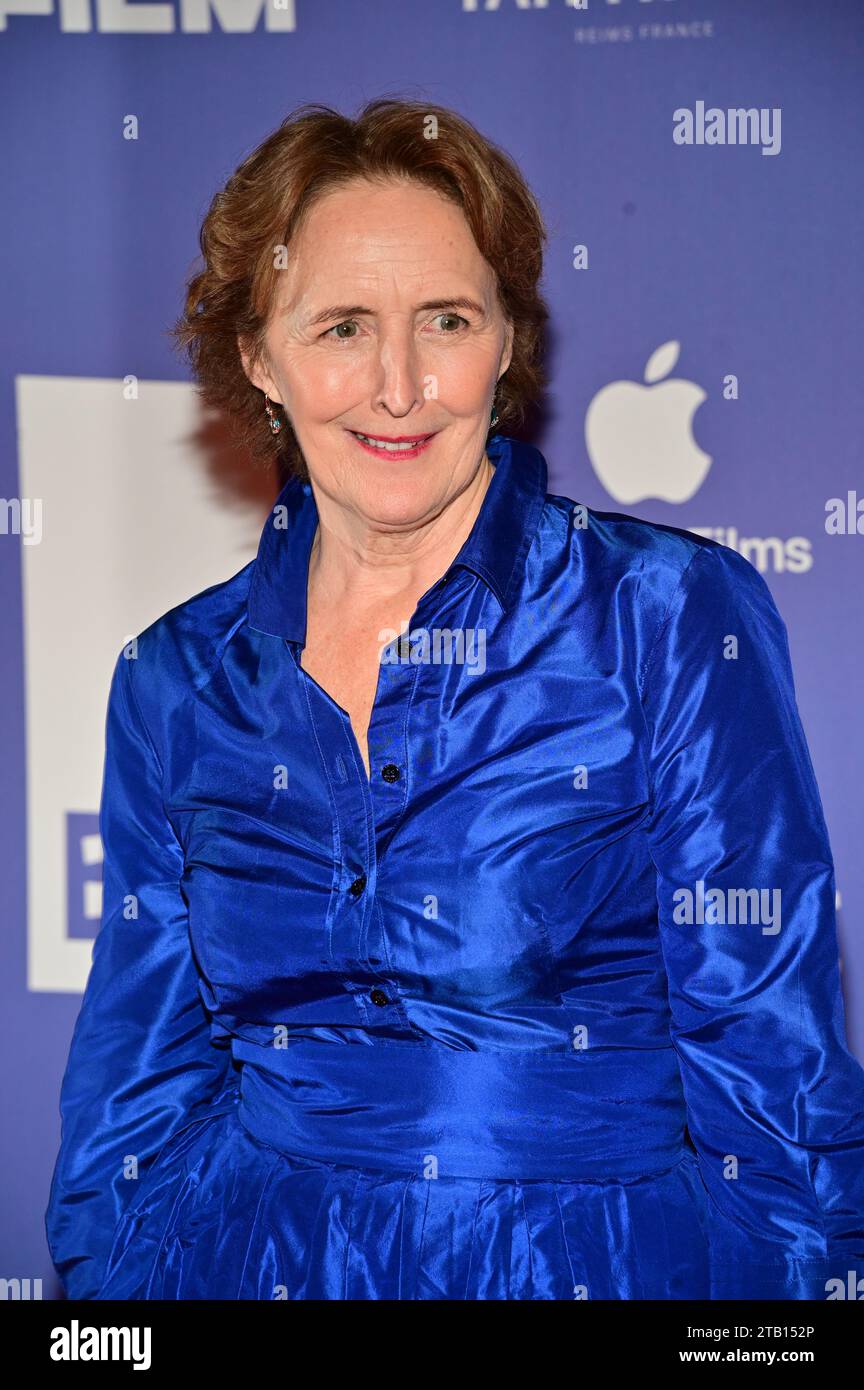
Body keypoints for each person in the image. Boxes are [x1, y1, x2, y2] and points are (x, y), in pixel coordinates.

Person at [46, 98, 864, 1301]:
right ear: (261, 358)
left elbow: (775, 1079)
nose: (400, 384)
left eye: (447, 319)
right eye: (340, 327)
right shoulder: (175, 680)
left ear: (506, 342)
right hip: (243, 1263)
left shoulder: (668, 615)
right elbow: (134, 1093)